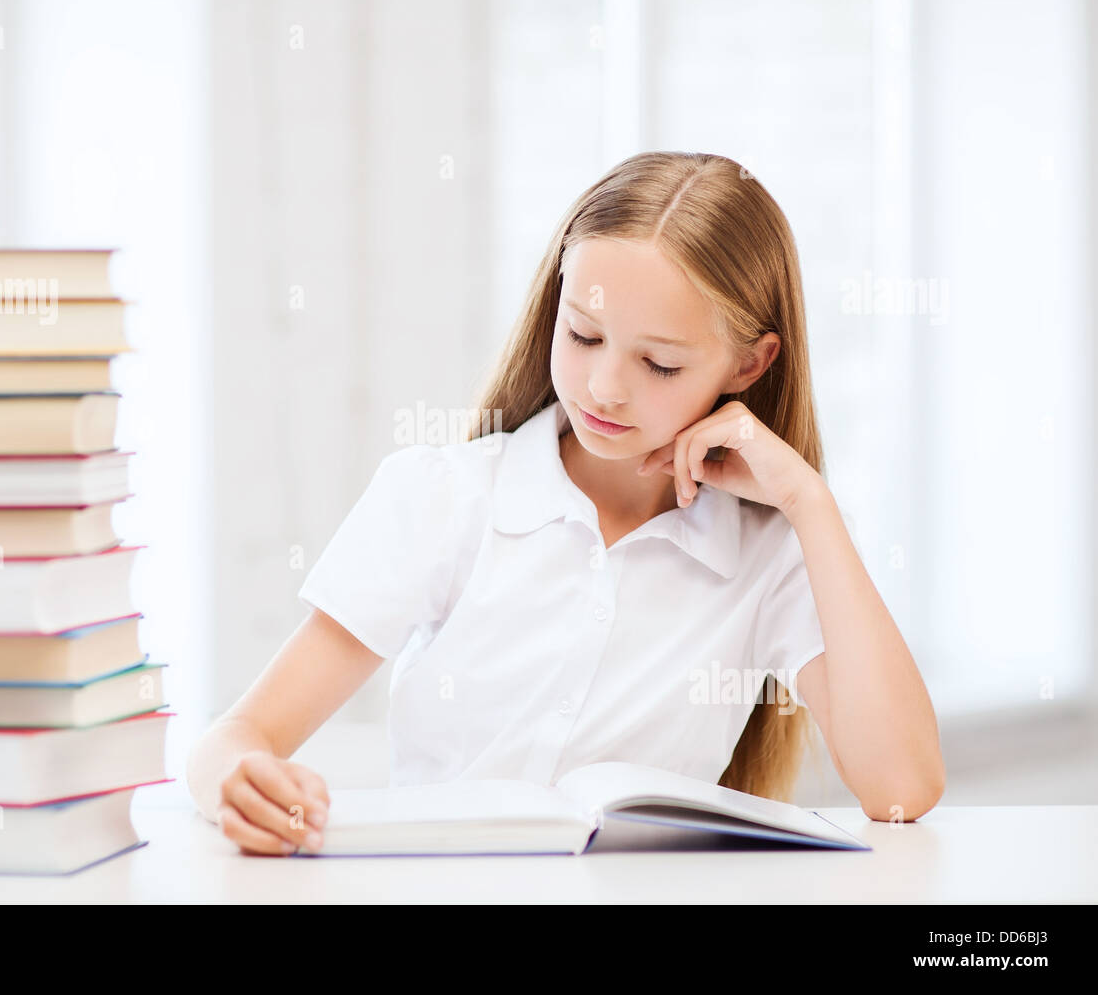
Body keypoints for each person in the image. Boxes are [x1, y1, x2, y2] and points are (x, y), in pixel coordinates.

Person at [186, 151, 945, 856]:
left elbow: (901, 790)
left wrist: (808, 501)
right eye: (583, 334)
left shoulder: (769, 550)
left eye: (658, 361)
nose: (605, 387)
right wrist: (235, 779)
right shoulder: (447, 497)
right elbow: (238, 734)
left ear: (750, 363)